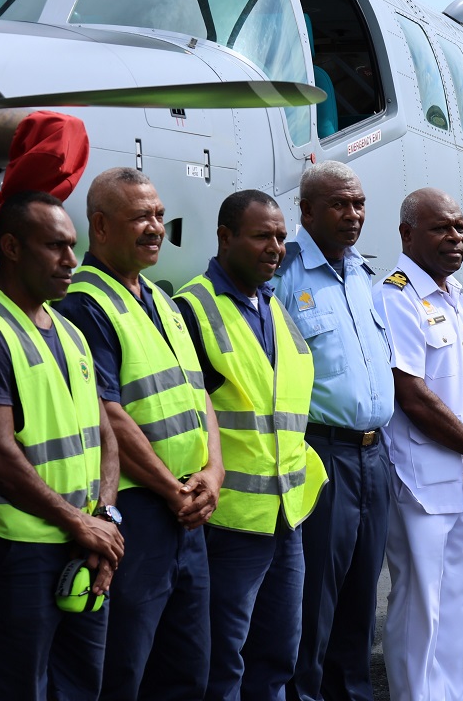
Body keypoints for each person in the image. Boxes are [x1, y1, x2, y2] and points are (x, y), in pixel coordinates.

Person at [57, 167, 223, 700]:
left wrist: (213, 474)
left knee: (186, 672)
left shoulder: (162, 299)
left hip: (187, 510)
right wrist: (174, 491)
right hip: (142, 514)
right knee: (123, 671)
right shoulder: (84, 304)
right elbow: (109, 416)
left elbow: (199, 392)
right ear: (100, 227)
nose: (155, 227)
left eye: (158, 215)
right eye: (140, 218)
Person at [174, 190, 327, 700]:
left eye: (281, 237)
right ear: (225, 237)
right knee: (223, 661)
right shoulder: (191, 309)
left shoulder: (274, 307)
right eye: (263, 236)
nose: (276, 247)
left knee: (278, 655)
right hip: (229, 522)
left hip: (286, 517)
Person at [0, 192, 124, 700]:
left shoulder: (70, 331)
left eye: (72, 246)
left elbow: (106, 435)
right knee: (19, 685)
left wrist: (105, 517)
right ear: (11, 247)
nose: (70, 261)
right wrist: (80, 523)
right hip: (20, 551)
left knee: (81, 683)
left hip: (82, 544)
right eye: (54, 246)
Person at [379, 188, 463, 700]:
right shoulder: (395, 297)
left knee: (458, 606)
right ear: (407, 234)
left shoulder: (460, 298)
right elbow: (412, 395)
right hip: (419, 483)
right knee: (421, 610)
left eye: (459, 227)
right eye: (441, 228)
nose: (455, 238)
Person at [271, 160, 395, 701]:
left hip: (374, 457)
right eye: (340, 205)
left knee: (360, 600)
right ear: (307, 211)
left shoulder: (363, 275)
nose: (353, 215)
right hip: (321, 454)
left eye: (360, 204)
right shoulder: (286, 274)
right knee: (314, 598)